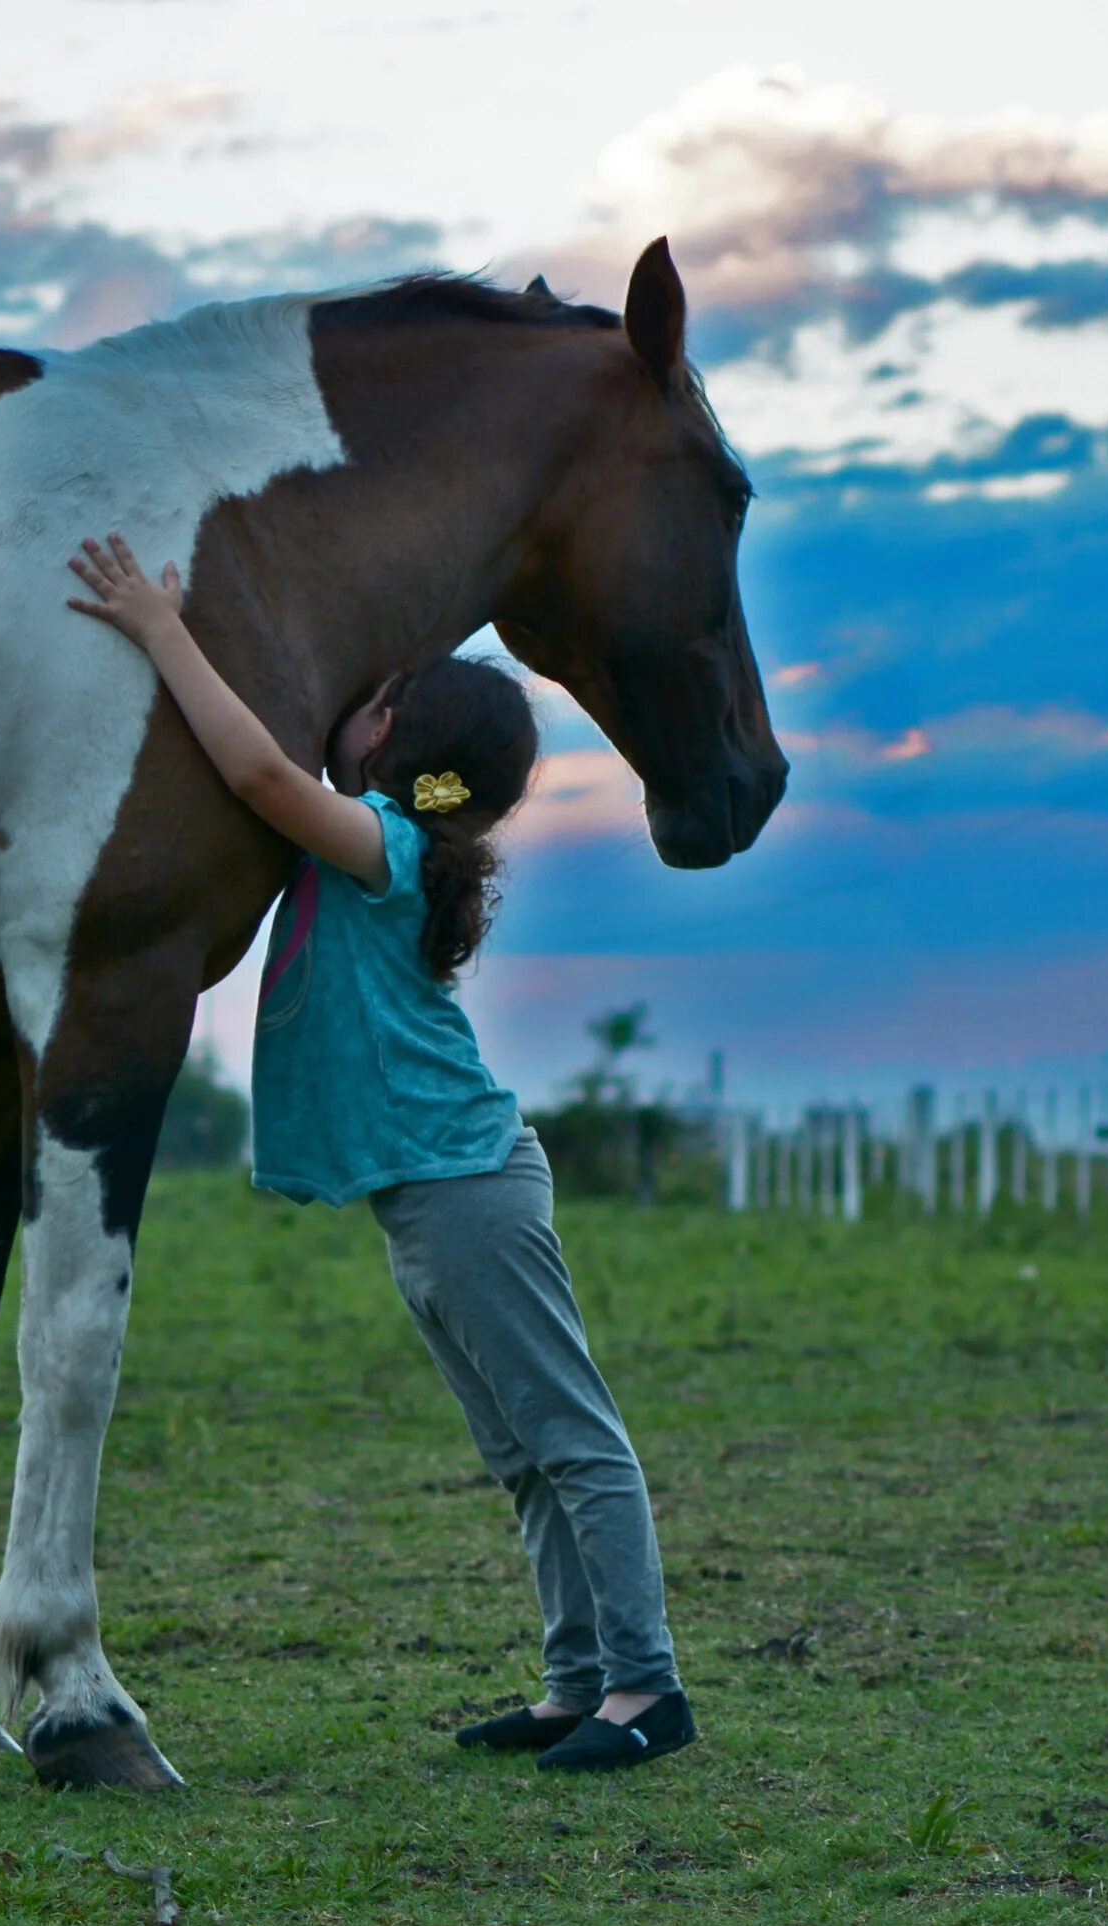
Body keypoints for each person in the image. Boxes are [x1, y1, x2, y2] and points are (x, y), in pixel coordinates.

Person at [65, 534, 693, 1773]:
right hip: (432, 1197)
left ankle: (648, 1689)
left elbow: (252, 765)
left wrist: (158, 626)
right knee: (522, 1455)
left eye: (377, 693)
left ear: (398, 738)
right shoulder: (390, 841)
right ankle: (579, 1684)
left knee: (573, 1439)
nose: (352, 699)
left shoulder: (382, 846)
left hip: (464, 1188)